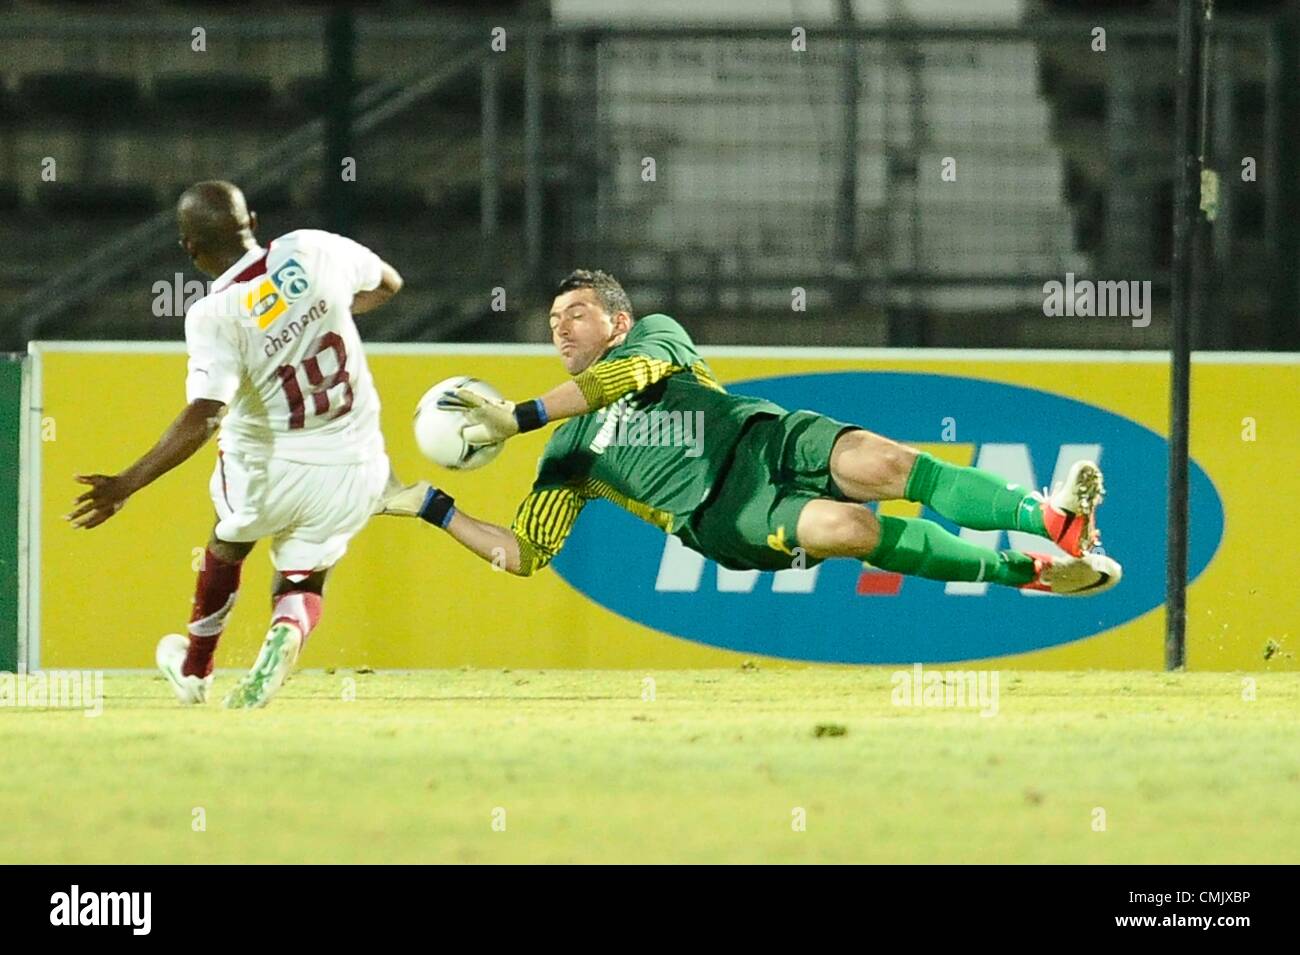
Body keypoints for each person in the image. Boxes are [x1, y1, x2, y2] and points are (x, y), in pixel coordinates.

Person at [380, 269, 1120, 596]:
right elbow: (524, 552)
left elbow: (616, 383)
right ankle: (1027, 574)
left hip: (764, 433)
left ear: (619, 321)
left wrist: (519, 415)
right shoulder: (569, 453)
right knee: (852, 528)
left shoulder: (656, 339)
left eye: (576, 311)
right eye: (552, 320)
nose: (560, 325)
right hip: (724, 515)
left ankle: (1053, 518)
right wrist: (434, 509)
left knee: (891, 461)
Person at [69, 180, 402, 708]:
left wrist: (126, 483)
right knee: (303, 575)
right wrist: (316, 311)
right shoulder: (314, 249)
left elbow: (205, 416)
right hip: (356, 463)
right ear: (254, 221)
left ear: (189, 247)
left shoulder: (215, 314)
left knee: (229, 541)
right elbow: (389, 283)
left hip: (271, 466)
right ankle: (287, 630)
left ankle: (196, 669)